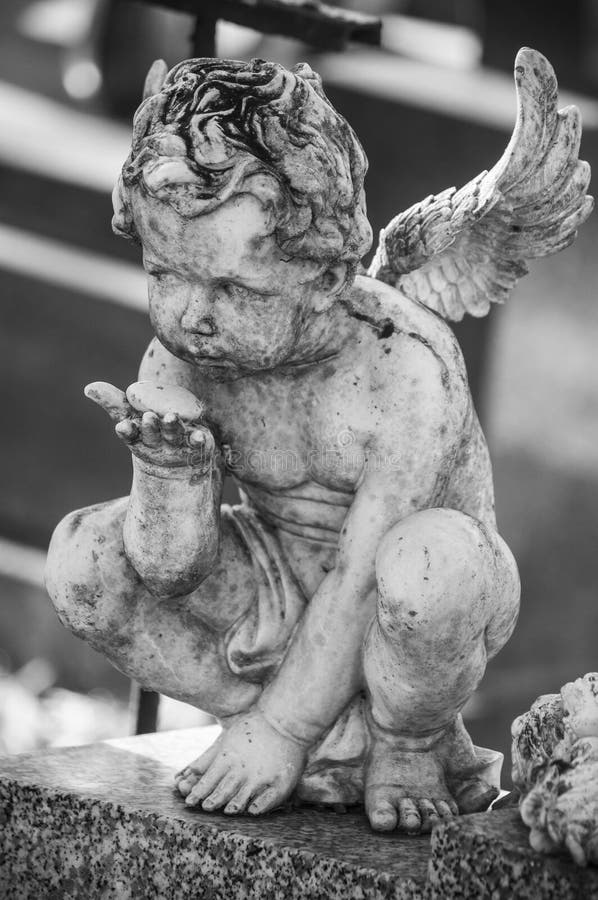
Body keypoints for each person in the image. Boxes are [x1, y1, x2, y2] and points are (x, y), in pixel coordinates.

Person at [45, 57, 520, 833]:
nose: (193, 315)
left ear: (328, 276)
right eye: (167, 275)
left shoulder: (404, 367)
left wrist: (283, 731)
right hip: (270, 589)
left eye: (233, 290)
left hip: (404, 613)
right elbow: (170, 570)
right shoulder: (187, 357)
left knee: (431, 565)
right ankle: (314, 737)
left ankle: (406, 741)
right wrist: (171, 472)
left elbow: (365, 573)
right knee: (85, 562)